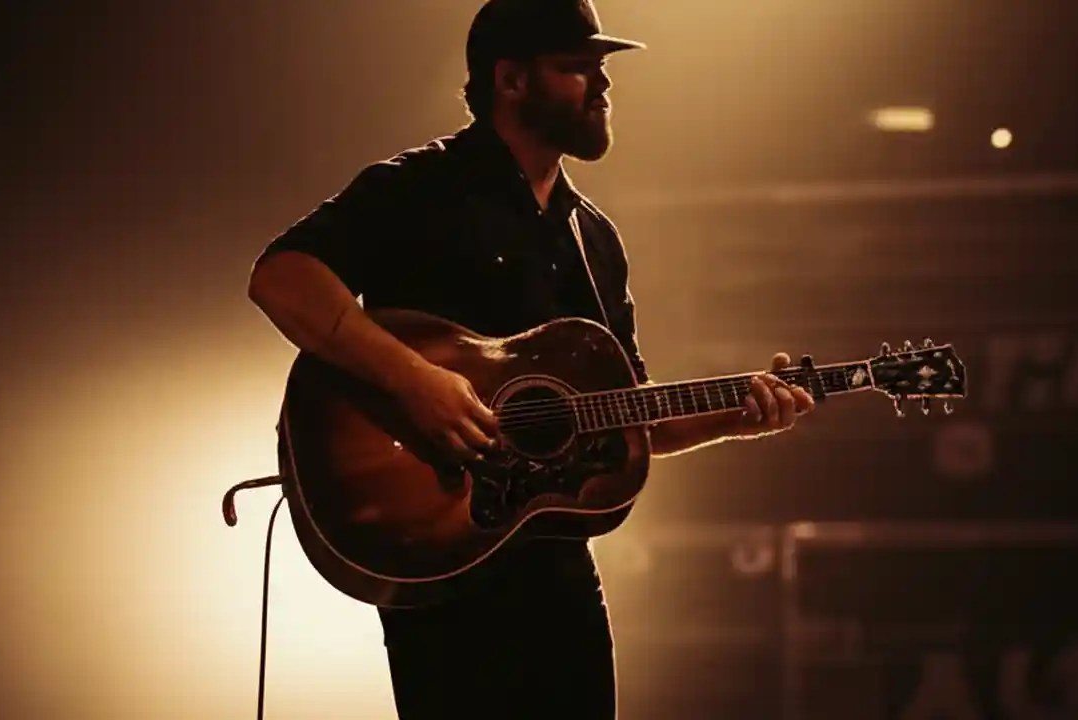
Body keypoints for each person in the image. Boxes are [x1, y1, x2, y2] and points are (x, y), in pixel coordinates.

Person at [247, 0, 816, 716]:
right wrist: (418, 382)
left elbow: (625, 416)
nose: (602, 86)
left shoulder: (594, 240)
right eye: (578, 68)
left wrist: (735, 419)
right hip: (440, 562)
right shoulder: (420, 188)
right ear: (511, 81)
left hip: (555, 569)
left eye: (601, 68)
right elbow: (281, 277)